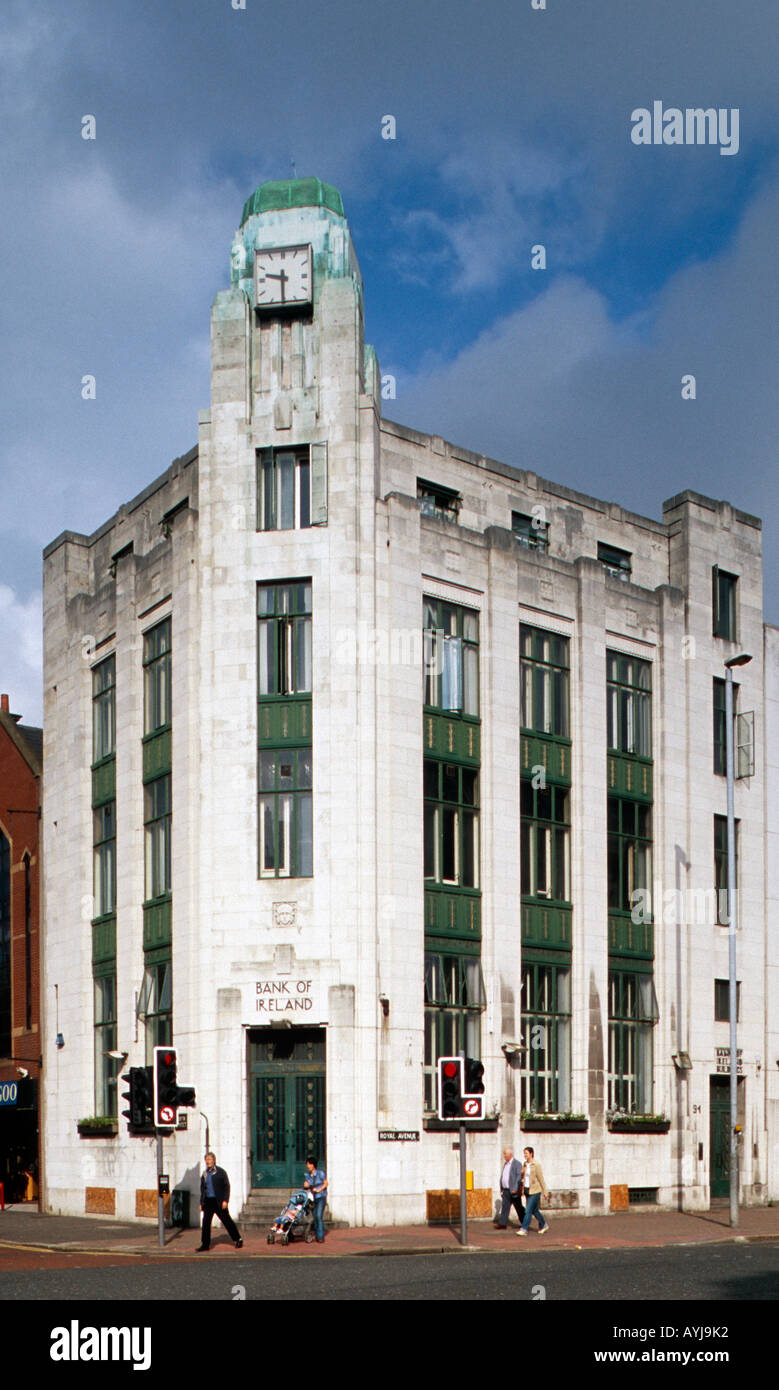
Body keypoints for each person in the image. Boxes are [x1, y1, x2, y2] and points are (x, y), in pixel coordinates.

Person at [197, 1151, 243, 1251]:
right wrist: (201, 1202)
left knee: (227, 1221)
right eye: (206, 1160)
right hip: (208, 1201)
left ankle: (238, 1239)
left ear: (214, 1160)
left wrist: (225, 1200)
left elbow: (227, 1186)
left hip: (219, 1201)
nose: (208, 1162)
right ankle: (205, 1245)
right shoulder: (205, 1174)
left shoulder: (220, 1172)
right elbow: (202, 1189)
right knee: (205, 1223)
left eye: (209, 1159)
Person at [517, 1145, 551, 1235]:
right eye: (524, 1153)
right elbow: (523, 1178)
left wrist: (545, 1192)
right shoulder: (525, 1164)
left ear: (531, 1154)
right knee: (534, 1210)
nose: (525, 1155)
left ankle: (524, 1229)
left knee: (528, 1210)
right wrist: (522, 1173)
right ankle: (543, 1224)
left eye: (526, 1153)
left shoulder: (536, 1165)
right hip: (527, 1190)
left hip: (535, 1191)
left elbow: (541, 1179)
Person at [495, 1146, 525, 1230]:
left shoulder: (517, 1164)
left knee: (518, 1207)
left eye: (505, 1154)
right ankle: (502, 1223)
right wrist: (501, 1188)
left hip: (513, 1190)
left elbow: (518, 1177)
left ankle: (524, 1222)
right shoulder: (506, 1164)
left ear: (510, 1154)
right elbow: (504, 1176)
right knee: (505, 1206)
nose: (504, 1156)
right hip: (506, 1190)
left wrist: (515, 1188)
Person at [303, 1155, 328, 1243]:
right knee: (315, 1217)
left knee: (318, 1216)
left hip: (320, 1196)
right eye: (307, 1164)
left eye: (309, 1164)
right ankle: (318, 1234)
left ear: (313, 1165)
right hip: (312, 1199)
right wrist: (306, 1185)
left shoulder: (320, 1173)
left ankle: (320, 1237)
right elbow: (306, 1184)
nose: (308, 1166)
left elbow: (325, 1183)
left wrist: (318, 1189)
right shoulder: (308, 1176)